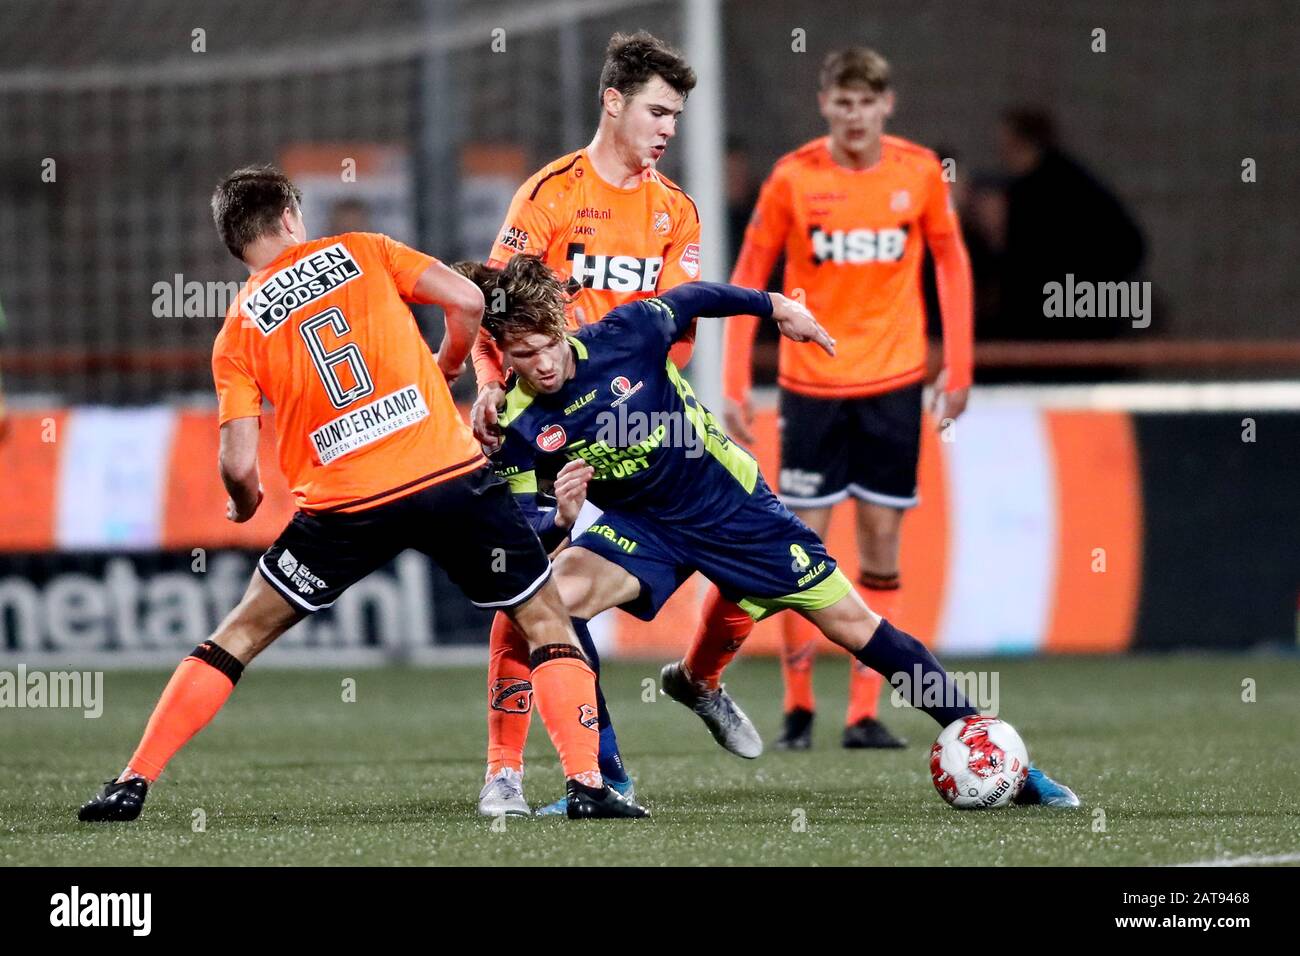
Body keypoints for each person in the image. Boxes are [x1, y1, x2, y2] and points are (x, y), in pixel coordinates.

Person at [76, 165, 646, 823]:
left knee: (238, 633)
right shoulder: (363, 250)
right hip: (446, 478)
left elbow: (238, 461)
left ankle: (131, 783)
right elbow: (466, 299)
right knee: (544, 619)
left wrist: (244, 500)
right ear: (292, 215)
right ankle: (588, 785)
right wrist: (452, 364)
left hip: (343, 506)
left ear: (234, 244)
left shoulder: (235, 332)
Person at [455, 256, 1079, 809]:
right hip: (640, 526)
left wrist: (778, 306)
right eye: (521, 356)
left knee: (857, 628)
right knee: (547, 605)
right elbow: (527, 544)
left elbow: (695, 297)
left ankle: (1005, 761)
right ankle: (601, 780)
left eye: (545, 348)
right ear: (503, 354)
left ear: (563, 330)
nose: (539, 366)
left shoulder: (629, 333)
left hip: (732, 509)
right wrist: (563, 519)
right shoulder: (516, 425)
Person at [469, 30, 754, 818]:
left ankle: (699, 679)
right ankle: (521, 773)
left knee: (759, 550)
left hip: (641, 429)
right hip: (547, 433)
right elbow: (495, 301)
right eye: (657, 112)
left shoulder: (675, 212)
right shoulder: (550, 194)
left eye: (676, 116)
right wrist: (491, 384)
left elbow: (682, 334)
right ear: (613, 102)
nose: (668, 129)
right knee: (530, 598)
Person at [723, 48, 974, 751]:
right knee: (802, 549)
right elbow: (751, 274)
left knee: (883, 542)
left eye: (867, 102)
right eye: (843, 101)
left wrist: (958, 365)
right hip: (813, 387)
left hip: (894, 384)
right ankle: (799, 705)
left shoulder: (918, 173)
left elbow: (952, 264)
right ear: (825, 104)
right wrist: (736, 381)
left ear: (886, 105)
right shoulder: (794, 177)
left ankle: (863, 713)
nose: (855, 114)